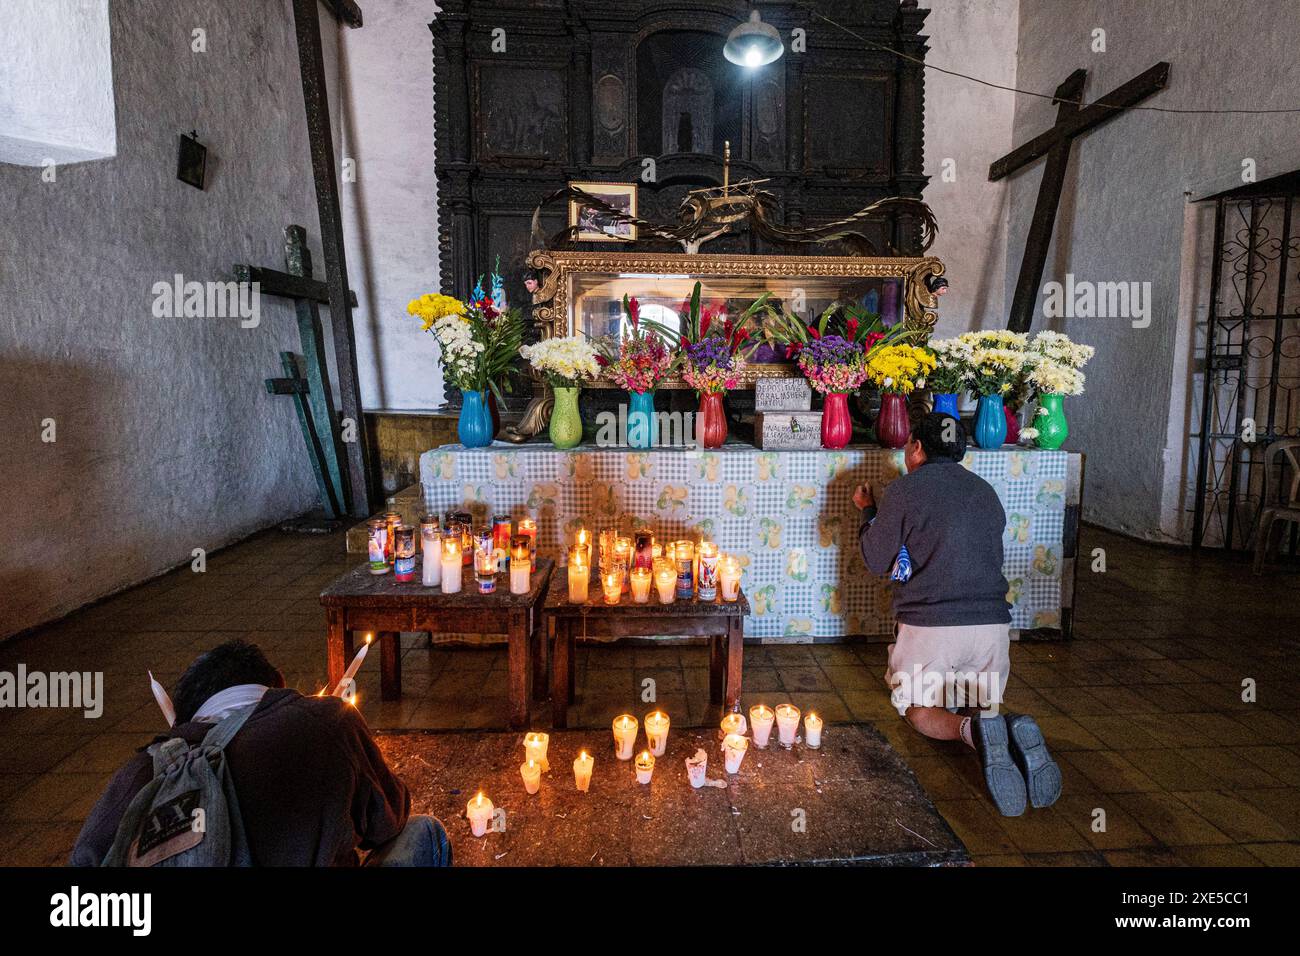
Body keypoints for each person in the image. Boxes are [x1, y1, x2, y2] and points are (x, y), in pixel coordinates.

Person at [72, 639, 451, 866]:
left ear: (182, 719)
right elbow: (388, 820)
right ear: (277, 684)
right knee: (423, 832)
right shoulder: (321, 719)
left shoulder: (139, 771)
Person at [854, 412, 1061, 817]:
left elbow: (877, 560)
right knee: (977, 702)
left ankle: (971, 731)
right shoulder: (985, 491)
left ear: (916, 448)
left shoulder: (903, 491)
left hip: (931, 626)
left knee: (918, 711)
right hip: (992, 628)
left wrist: (868, 512)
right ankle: (991, 724)